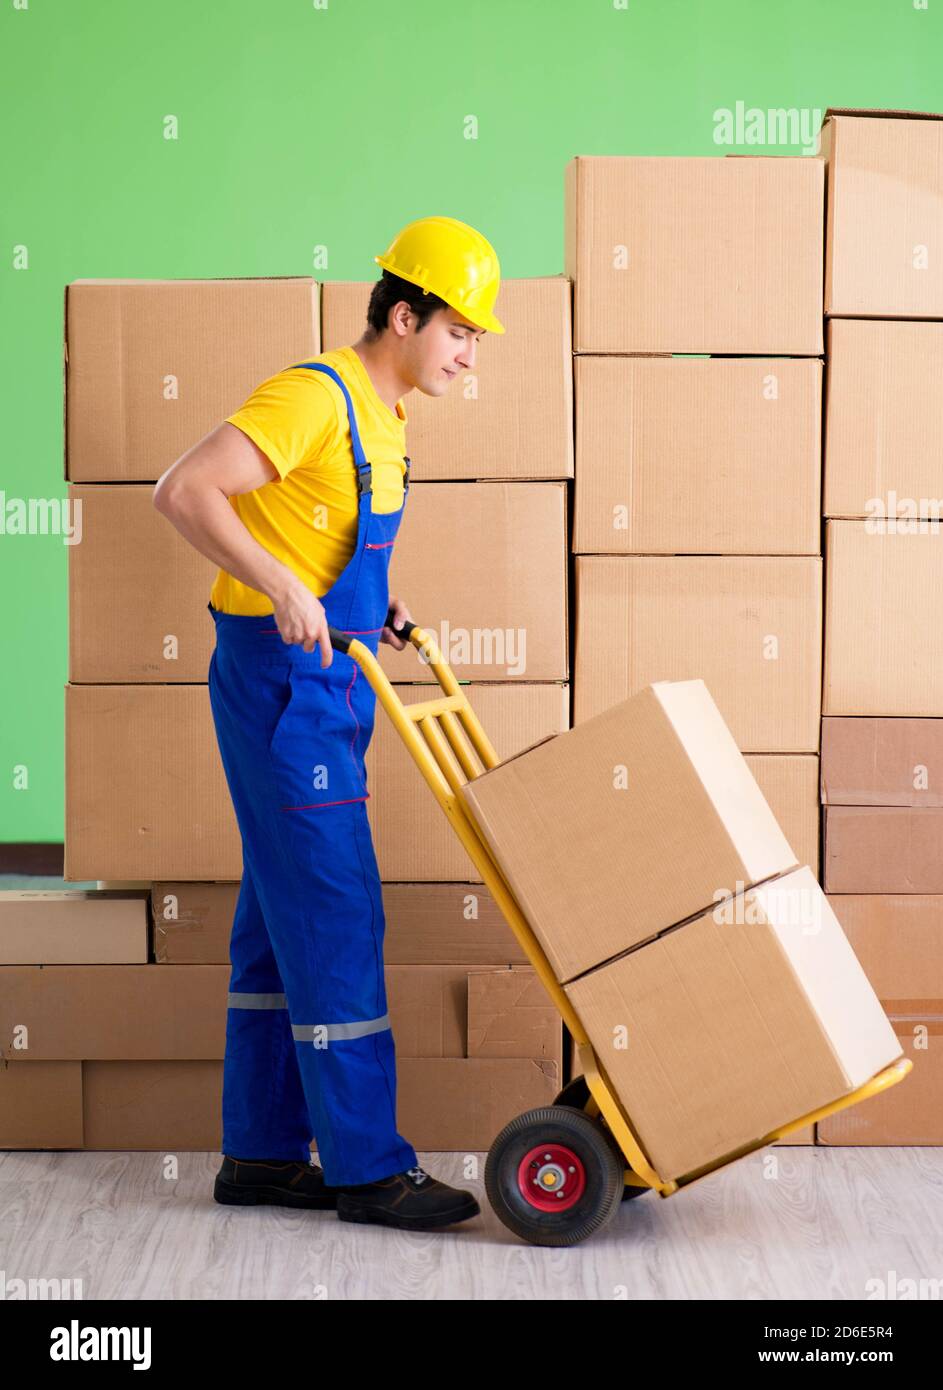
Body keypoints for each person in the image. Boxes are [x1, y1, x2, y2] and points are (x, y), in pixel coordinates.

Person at [152, 217, 505, 1232]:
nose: (468, 354)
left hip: (333, 683)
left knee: (277, 917)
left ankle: (259, 1155)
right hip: (284, 691)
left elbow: (328, 538)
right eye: (460, 331)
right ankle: (366, 1169)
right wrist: (275, 585)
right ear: (405, 314)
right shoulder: (315, 396)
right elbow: (185, 489)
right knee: (339, 911)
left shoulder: (386, 419)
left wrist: (372, 609)